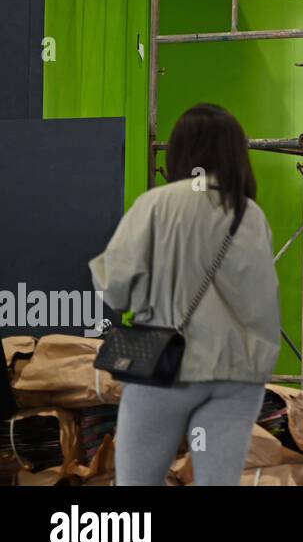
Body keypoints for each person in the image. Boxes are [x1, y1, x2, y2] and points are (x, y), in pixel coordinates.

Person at [89, 104, 279, 485]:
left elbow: (115, 287)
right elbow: (263, 301)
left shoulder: (158, 204)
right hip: (238, 376)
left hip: (166, 365)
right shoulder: (250, 214)